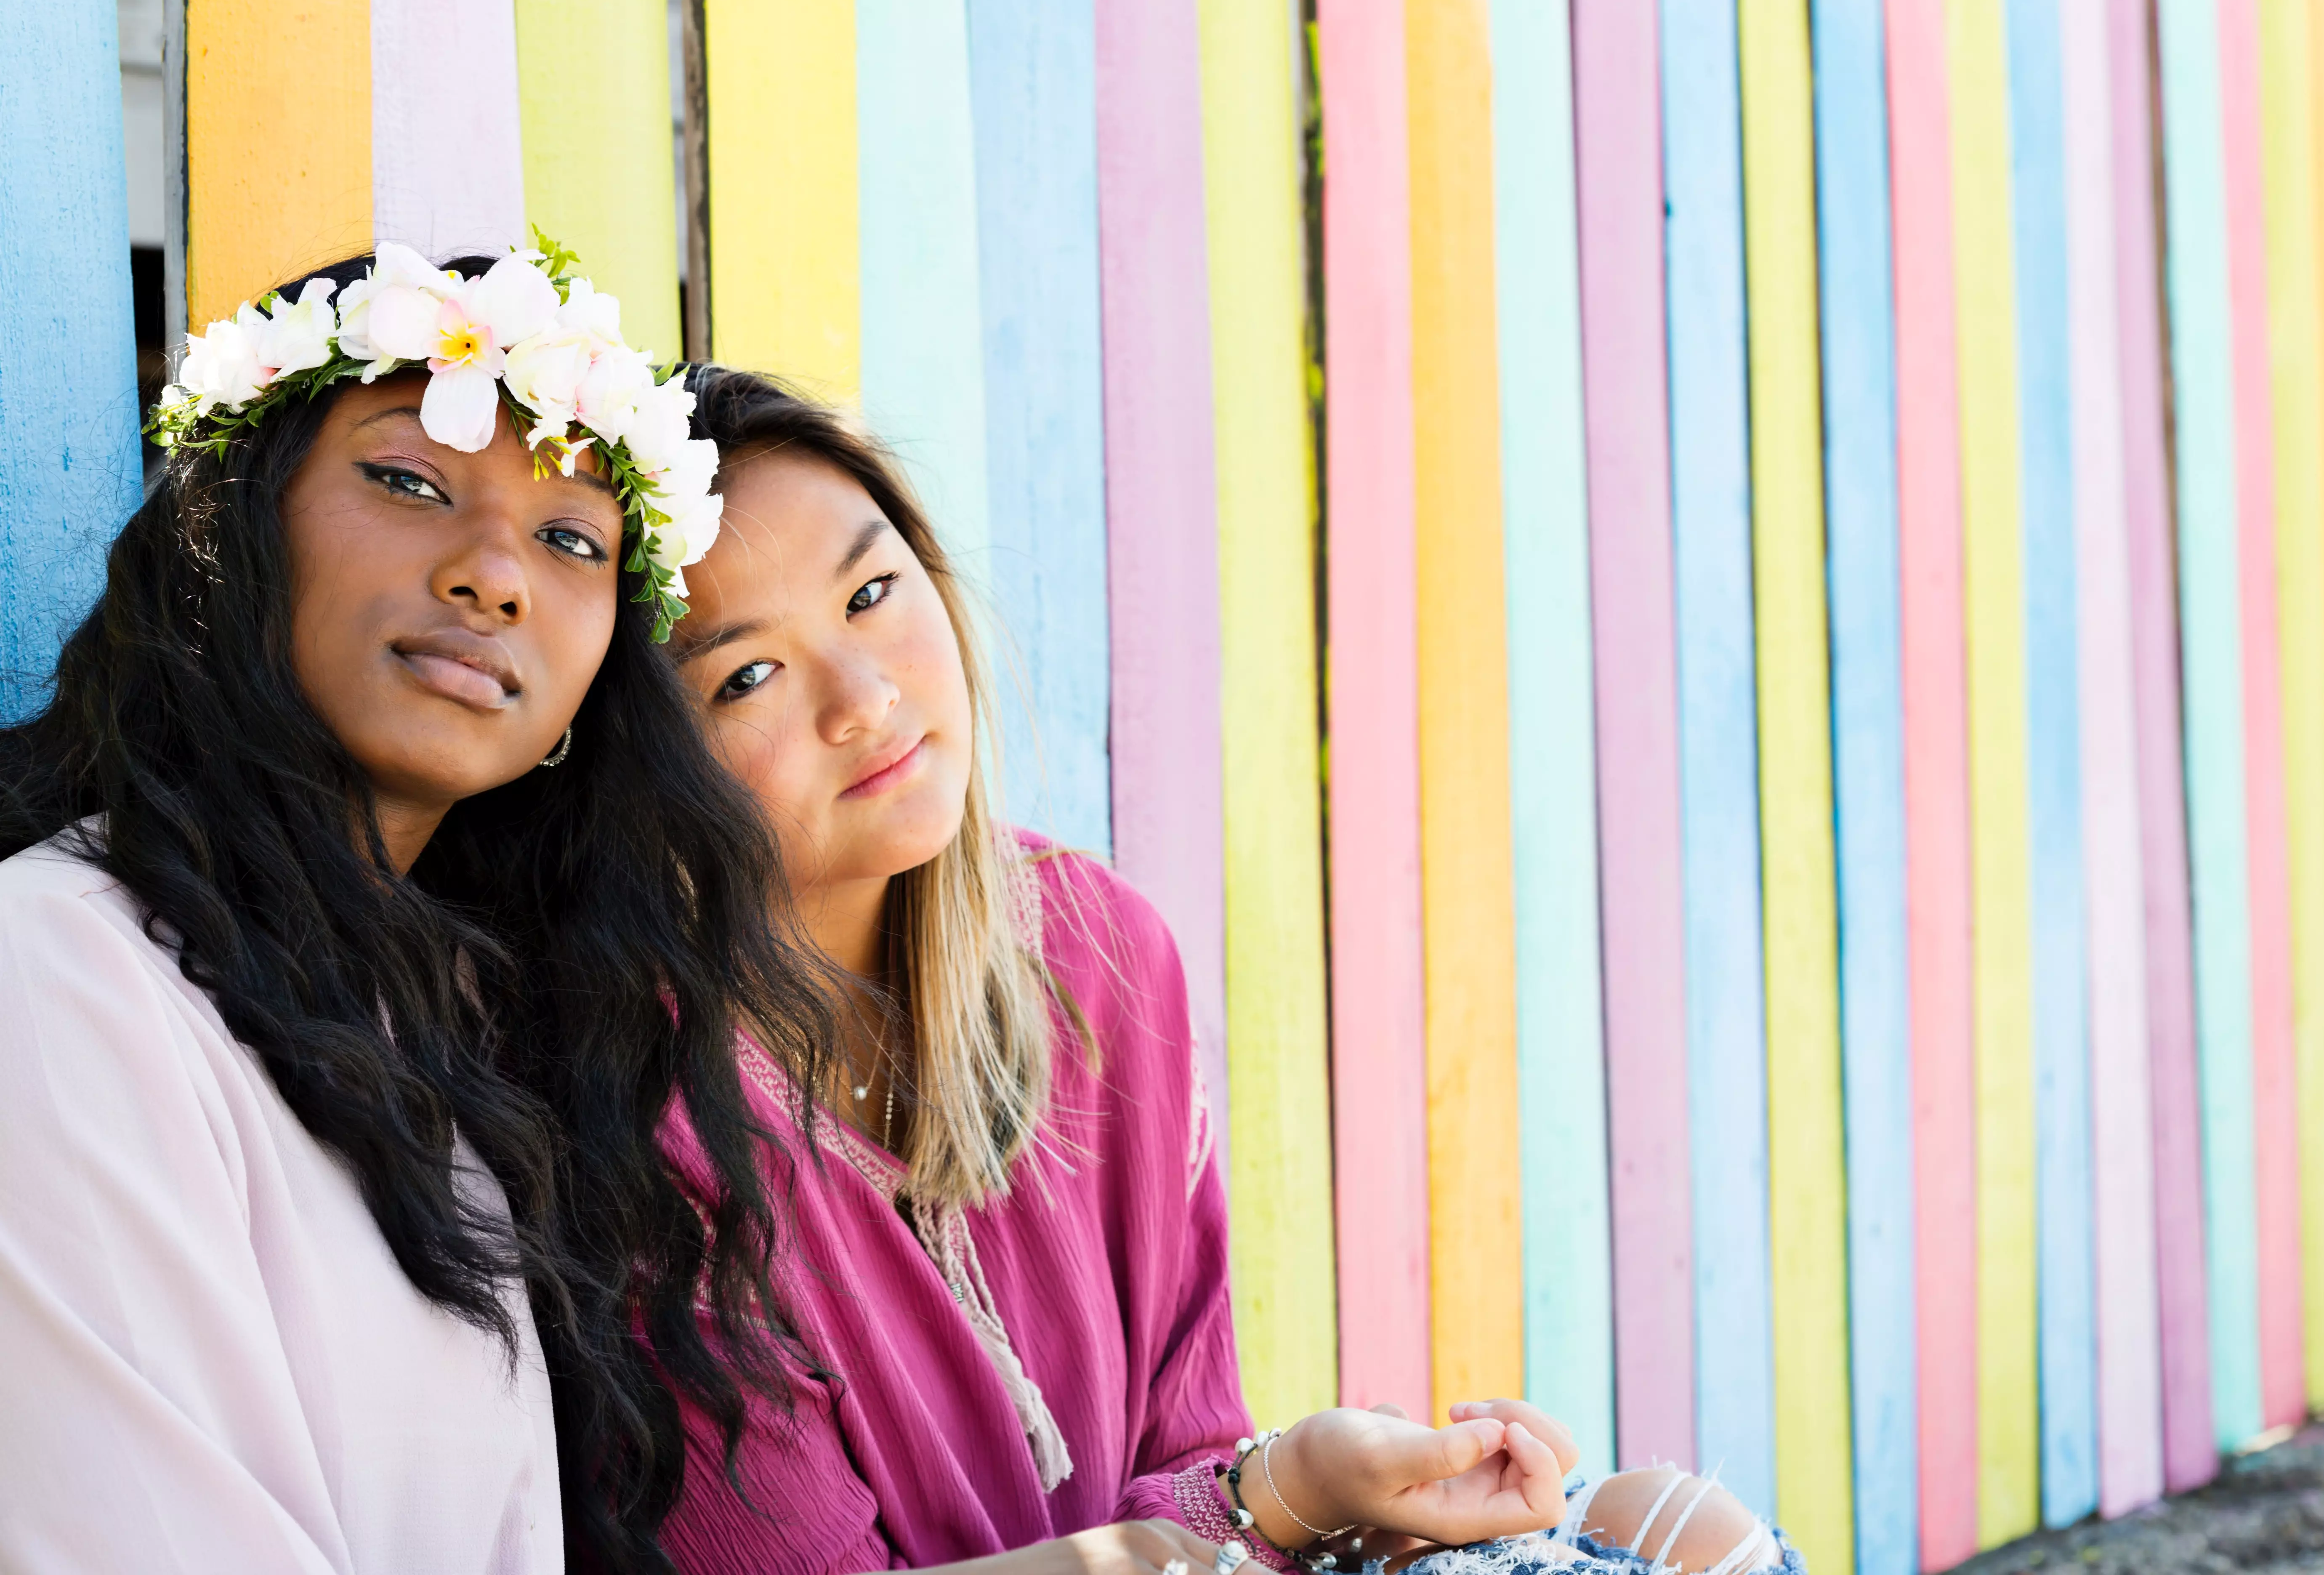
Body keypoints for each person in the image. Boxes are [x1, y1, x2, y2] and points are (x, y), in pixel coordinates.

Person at [654, 367, 1802, 1575]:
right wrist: (1286, 1493)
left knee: (1672, 1523)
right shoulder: (655, 1129)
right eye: (747, 676)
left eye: (873, 592)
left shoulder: (1095, 959)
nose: (869, 697)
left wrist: (1319, 1486)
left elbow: (1188, 1463)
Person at [0, 247, 839, 1573]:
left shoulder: (454, 1049)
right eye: (406, 480)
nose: (497, 576)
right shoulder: (55, 972)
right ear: (235, 528)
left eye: (572, 540)